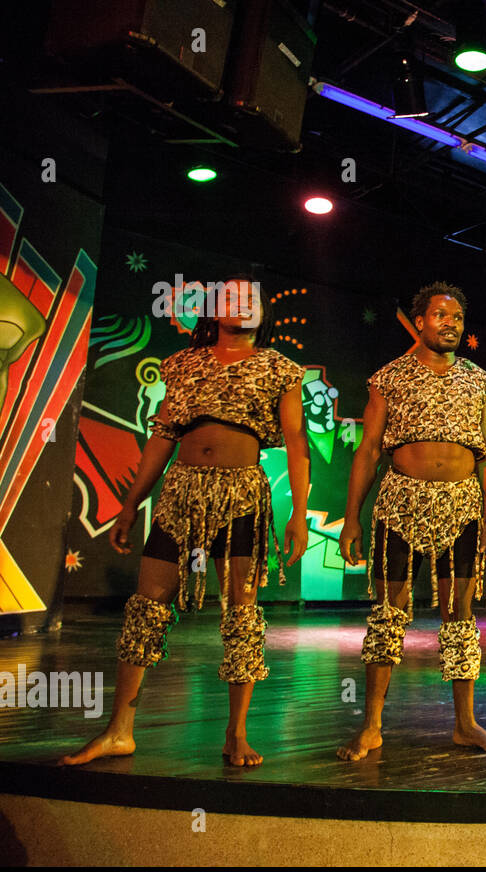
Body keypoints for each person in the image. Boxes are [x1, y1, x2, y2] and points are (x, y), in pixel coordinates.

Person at [62, 276, 309, 767]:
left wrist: (299, 513)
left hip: (241, 494)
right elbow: (162, 438)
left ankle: (236, 733)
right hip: (181, 492)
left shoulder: (281, 369)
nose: (244, 305)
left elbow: (298, 443)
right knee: (147, 606)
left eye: (253, 299)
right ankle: (119, 730)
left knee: (241, 609)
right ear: (214, 310)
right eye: (233, 298)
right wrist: (131, 504)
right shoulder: (182, 364)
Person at [337, 282, 486, 758]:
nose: (450, 323)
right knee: (389, 613)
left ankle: (465, 724)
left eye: (457, 317)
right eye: (439, 315)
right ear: (419, 322)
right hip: (400, 501)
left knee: (460, 615)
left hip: (463, 505)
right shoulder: (388, 377)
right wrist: (351, 518)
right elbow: (368, 450)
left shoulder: (478, 381)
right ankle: (371, 725)